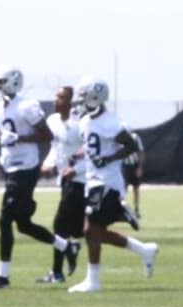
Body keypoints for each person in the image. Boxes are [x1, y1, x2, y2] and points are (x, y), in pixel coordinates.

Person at [0, 65, 81, 290]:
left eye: (1, 81)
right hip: (11, 169)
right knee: (23, 225)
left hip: (26, 168)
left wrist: (19, 138)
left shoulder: (26, 105)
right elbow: (3, 140)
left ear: (13, 81)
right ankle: (66, 246)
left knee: (4, 220)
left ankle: (3, 277)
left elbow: (46, 135)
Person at [67, 76, 158, 293]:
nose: (79, 100)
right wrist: (79, 155)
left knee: (91, 230)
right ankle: (143, 249)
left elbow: (131, 145)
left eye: (83, 96)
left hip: (107, 182)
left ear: (95, 97)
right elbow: (93, 146)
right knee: (93, 232)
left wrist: (109, 159)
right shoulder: (85, 122)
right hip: (93, 181)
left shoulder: (111, 122)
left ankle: (93, 281)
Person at [37, 85, 85, 284]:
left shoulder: (80, 122)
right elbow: (55, 148)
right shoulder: (52, 121)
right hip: (65, 180)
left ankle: (57, 272)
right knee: (79, 229)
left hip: (81, 180)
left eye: (61, 97)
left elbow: (91, 150)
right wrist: (47, 163)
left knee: (60, 225)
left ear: (71, 101)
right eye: (56, 97)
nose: (56, 100)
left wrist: (77, 169)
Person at [121, 128, 146, 218]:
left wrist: (140, 167)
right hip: (124, 166)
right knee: (122, 190)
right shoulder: (119, 138)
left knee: (136, 188)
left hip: (134, 165)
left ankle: (136, 209)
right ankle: (122, 211)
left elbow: (141, 152)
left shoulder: (135, 137)